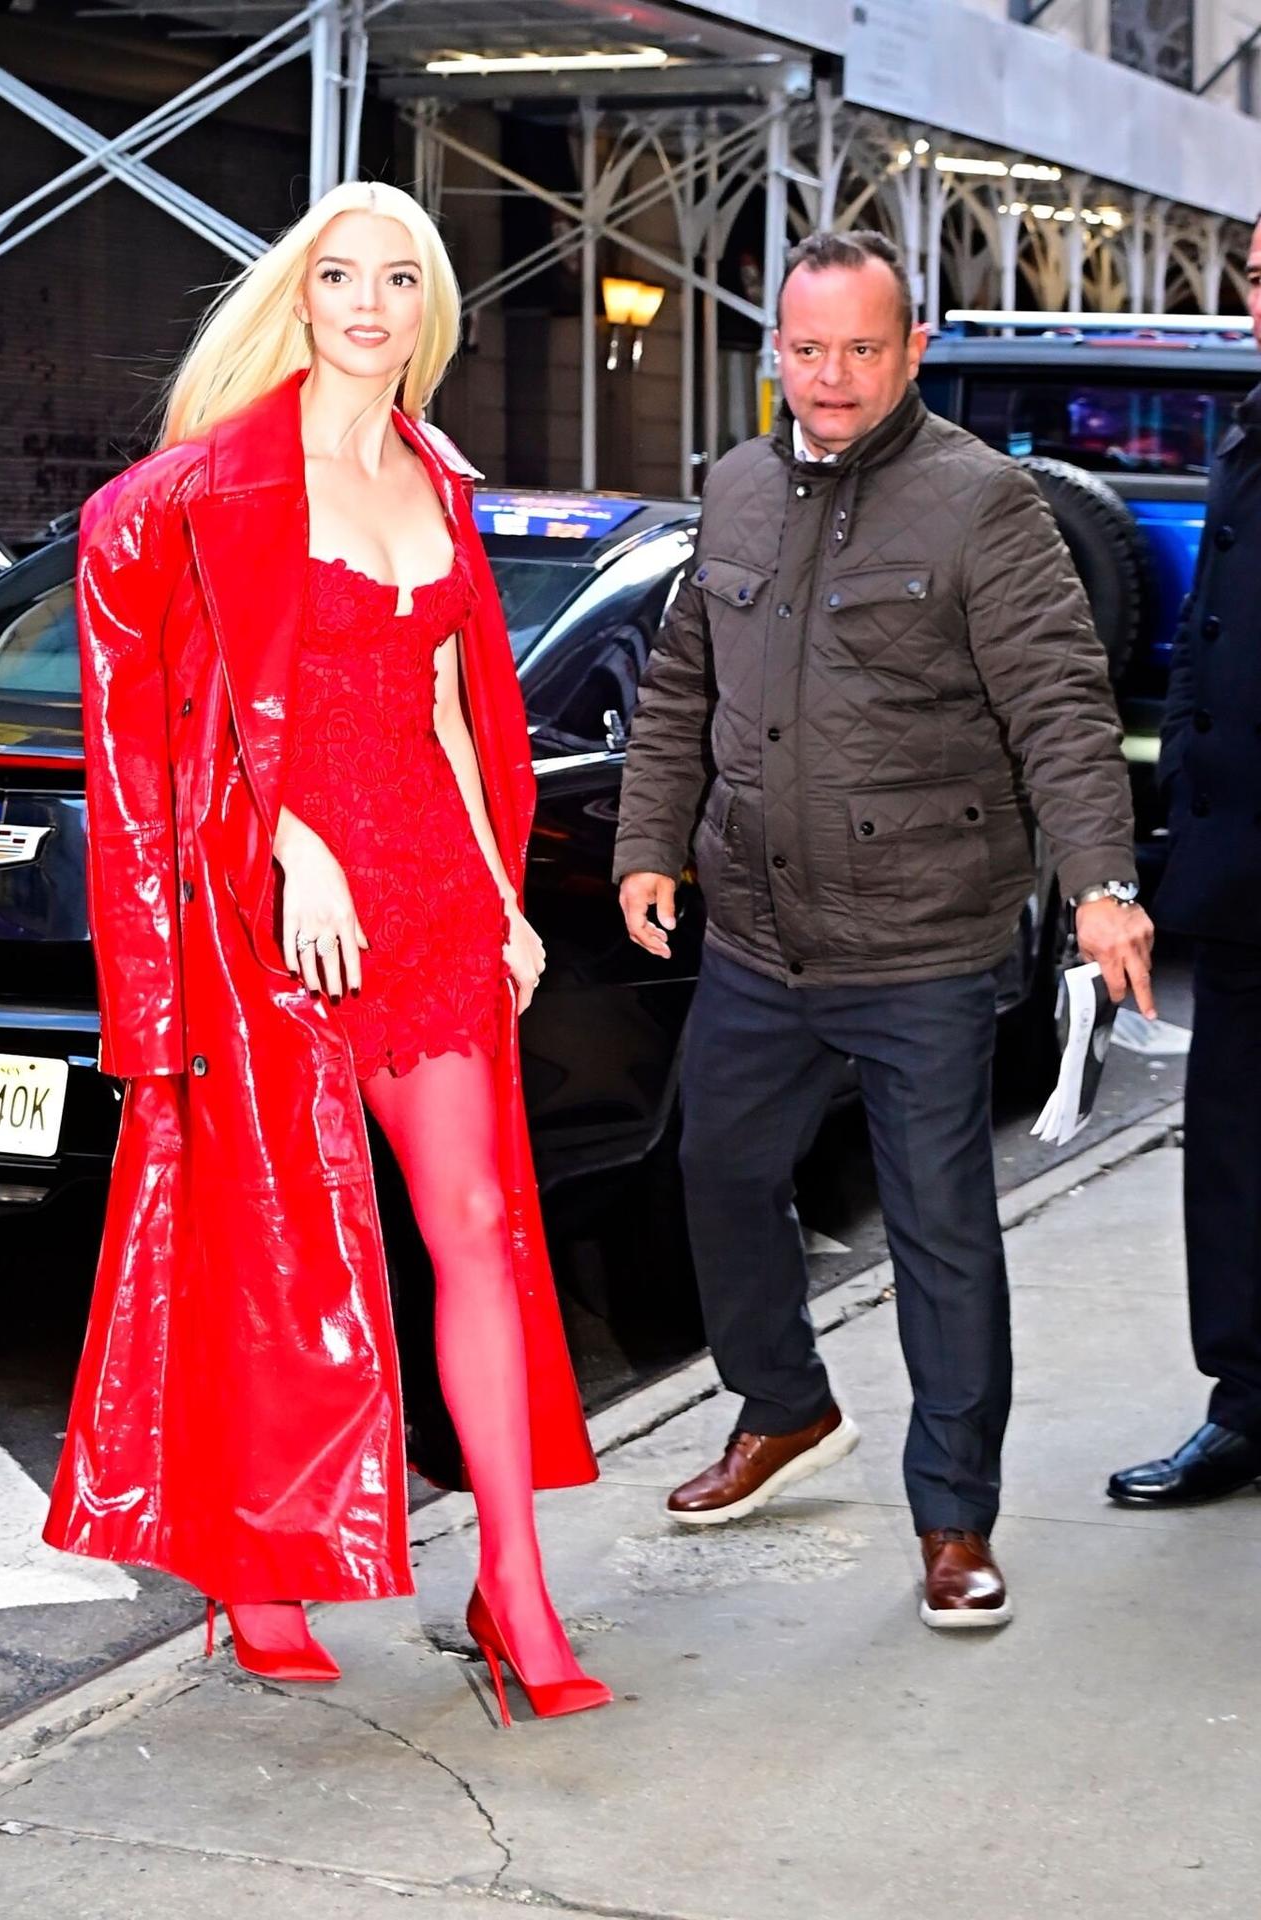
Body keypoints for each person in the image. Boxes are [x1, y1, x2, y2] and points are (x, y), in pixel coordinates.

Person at [45, 181, 609, 1724]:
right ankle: (256, 1566)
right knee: (280, 1244)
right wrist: (285, 841)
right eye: (341, 275)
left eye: (398, 279)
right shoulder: (214, 486)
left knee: (477, 1226)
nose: (369, 303)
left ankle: (515, 1586)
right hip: (271, 915)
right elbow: (172, 713)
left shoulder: (434, 476)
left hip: (426, 895)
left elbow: (448, 713)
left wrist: (500, 898)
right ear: (299, 297)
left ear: (428, 309)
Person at [612, 230, 1152, 1631]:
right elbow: (681, 687)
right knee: (719, 1173)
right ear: (775, 351)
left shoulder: (983, 503)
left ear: (911, 348)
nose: (833, 376)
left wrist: (1098, 881)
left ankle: (953, 1520)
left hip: (921, 938)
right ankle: (782, 1405)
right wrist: (646, 842)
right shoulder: (735, 487)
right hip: (758, 934)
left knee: (939, 1233)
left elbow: (1057, 704)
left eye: (862, 347)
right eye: (808, 349)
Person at [1108, 213, 1261, 1511]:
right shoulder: (1245, 434)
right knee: (1232, 1155)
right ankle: (1245, 1405)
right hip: (1237, 872)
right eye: (1260, 277)